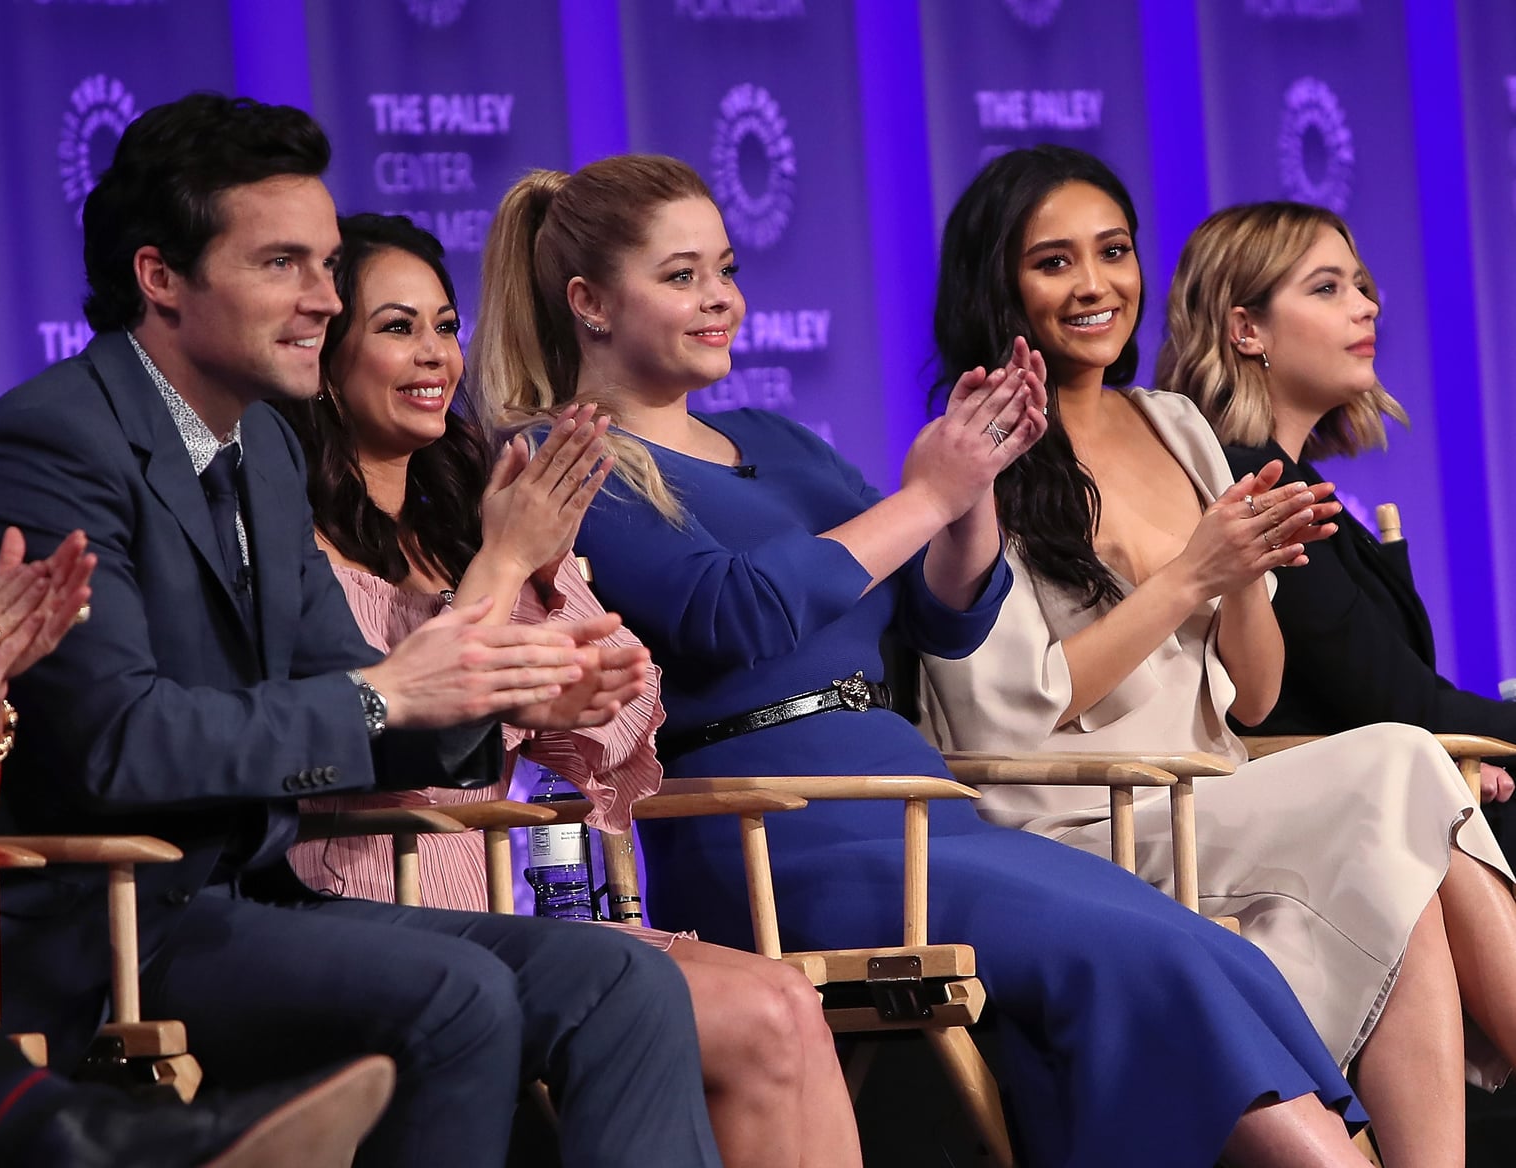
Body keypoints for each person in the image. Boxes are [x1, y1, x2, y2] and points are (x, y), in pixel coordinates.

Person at [472, 151, 1374, 1168]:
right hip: (772, 842)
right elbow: (734, 613)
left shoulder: (779, 438)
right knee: (1144, 952)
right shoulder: (565, 456)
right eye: (680, 276)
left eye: (724, 269)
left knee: (1208, 952)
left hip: (921, 810)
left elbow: (941, 619)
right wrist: (924, 498)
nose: (719, 298)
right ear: (589, 302)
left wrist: (974, 481)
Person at [0, 94, 721, 1168]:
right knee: (459, 998)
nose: (323, 298)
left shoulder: (260, 447)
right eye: (283, 266)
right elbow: (120, 743)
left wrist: (497, 693)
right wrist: (389, 693)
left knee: (622, 979)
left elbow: (358, 691)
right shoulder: (51, 447)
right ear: (160, 277)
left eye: (326, 264)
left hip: (249, 902)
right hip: (105, 919)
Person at [916, 144, 1516, 1168]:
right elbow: (1011, 717)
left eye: (1112, 252)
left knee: (1398, 860)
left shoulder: (1176, 423)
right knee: (1398, 759)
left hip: (1210, 796)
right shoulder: (979, 454)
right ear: (999, 284)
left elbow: (1254, 694)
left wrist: (1241, 570)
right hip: (1077, 823)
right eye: (1053, 262)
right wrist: (1189, 575)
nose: (1094, 284)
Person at [276, 211, 860, 1168]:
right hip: (390, 902)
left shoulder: (480, 499)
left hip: (539, 902)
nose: (434, 354)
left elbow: (612, 726)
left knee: (785, 1001)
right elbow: (406, 714)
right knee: (752, 1012)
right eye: (395, 327)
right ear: (325, 355)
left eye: (445, 323)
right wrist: (507, 569)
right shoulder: (295, 542)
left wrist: (589, 676)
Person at [0, 530, 395, 1168]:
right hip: (78, 930)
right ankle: (89, 1135)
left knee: (528, 983)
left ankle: (90, 1134)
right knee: (458, 1000)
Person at [1158, 200, 1516, 805]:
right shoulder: (1254, 483)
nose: (1368, 306)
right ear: (1246, 330)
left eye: (1361, 285)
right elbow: (1399, 703)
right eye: (1327, 288)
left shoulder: (1289, 475)